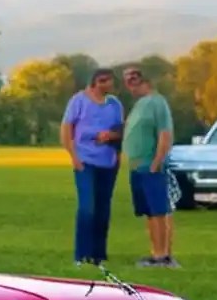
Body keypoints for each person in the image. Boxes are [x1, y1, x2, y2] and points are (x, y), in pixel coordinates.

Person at [60, 68, 125, 266]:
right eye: (108, 82)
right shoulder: (78, 101)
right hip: (86, 161)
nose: (111, 86)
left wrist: (112, 139)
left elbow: (121, 130)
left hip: (108, 161)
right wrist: (74, 156)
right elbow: (66, 129)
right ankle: (81, 254)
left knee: (103, 208)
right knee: (87, 206)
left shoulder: (115, 104)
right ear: (97, 82)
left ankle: (98, 254)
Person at [121, 66, 177, 267]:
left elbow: (164, 133)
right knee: (149, 213)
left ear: (145, 79)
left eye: (134, 78)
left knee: (159, 211)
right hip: (137, 167)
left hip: (151, 165)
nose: (130, 83)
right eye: (127, 80)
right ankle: (155, 253)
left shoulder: (157, 102)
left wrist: (157, 161)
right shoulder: (139, 105)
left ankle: (163, 256)